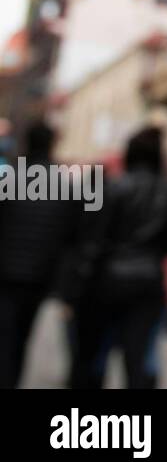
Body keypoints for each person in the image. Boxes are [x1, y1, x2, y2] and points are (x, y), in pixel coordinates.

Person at [62, 126, 167, 389]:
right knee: (137, 356)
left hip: (106, 282)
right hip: (148, 282)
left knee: (92, 354)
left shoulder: (114, 187)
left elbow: (92, 243)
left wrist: (74, 291)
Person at [0, 122, 81, 388]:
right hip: (39, 276)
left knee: (5, 336)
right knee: (22, 336)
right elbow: (72, 237)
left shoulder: (9, 178)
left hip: (6, 272)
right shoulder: (66, 186)